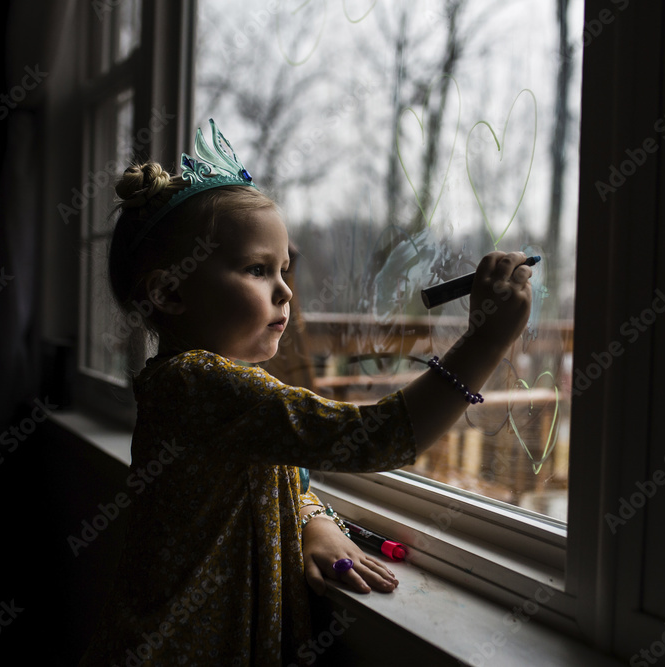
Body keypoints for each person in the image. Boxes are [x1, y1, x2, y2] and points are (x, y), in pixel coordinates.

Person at [78, 119, 533, 666]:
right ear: (170, 292)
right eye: (257, 269)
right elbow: (372, 438)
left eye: (284, 269)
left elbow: (277, 472)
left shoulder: (217, 387)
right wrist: (485, 341)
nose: (286, 290)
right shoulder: (195, 382)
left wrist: (311, 519)